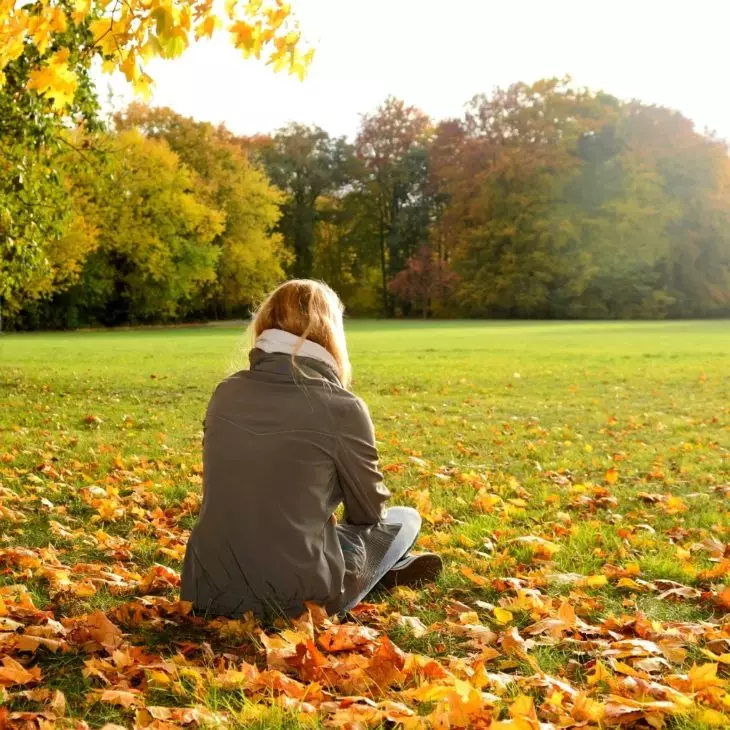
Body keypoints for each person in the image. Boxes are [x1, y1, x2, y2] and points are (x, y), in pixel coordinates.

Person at [181, 280, 442, 618]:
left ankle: (374, 574)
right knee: (403, 519)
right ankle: (376, 576)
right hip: (297, 600)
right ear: (330, 332)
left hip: (207, 589)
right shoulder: (342, 407)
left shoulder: (225, 393)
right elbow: (368, 513)